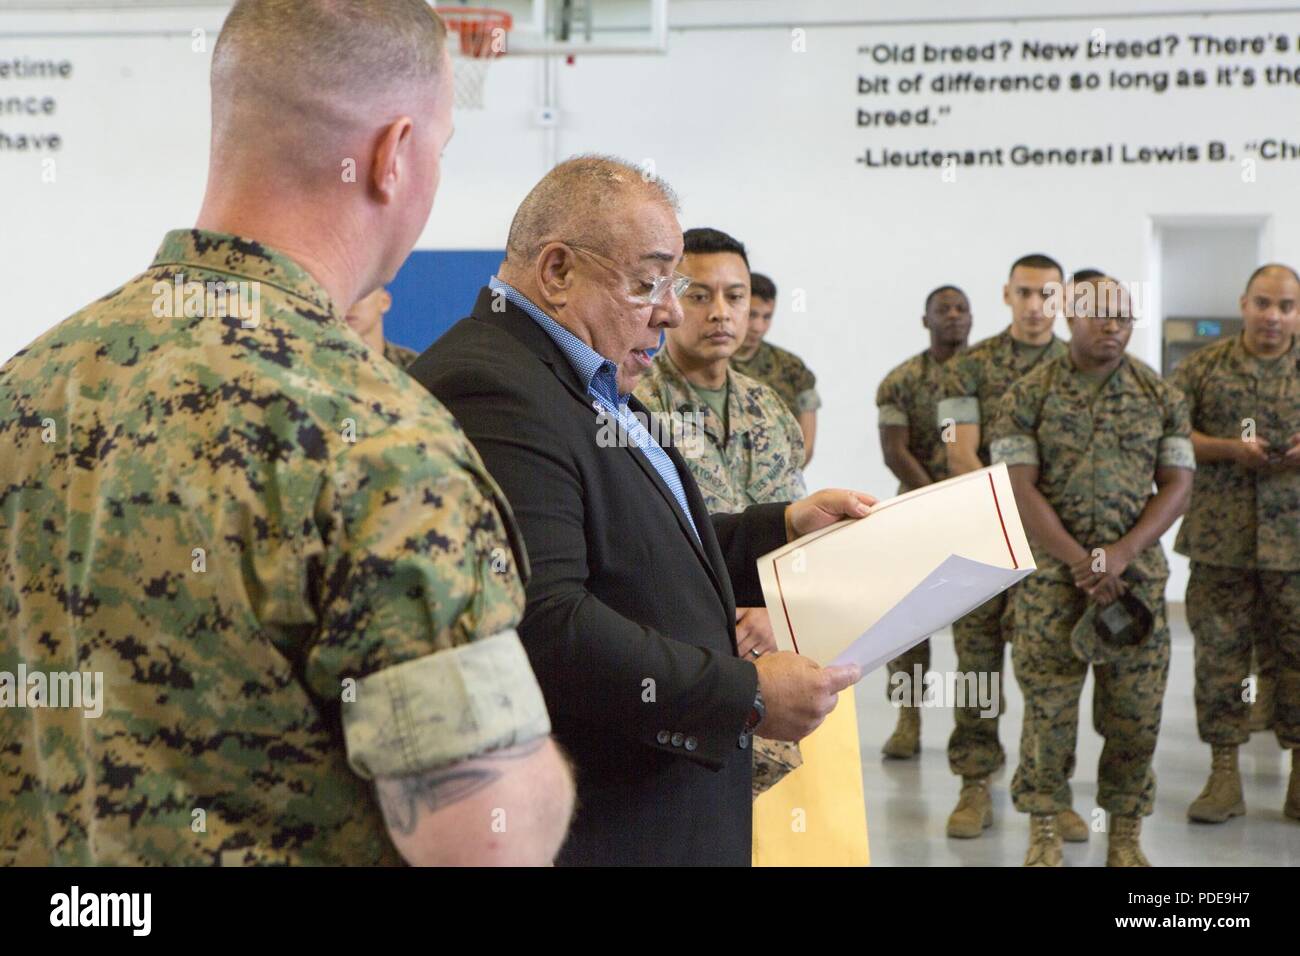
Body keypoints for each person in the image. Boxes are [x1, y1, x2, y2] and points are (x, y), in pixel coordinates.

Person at [0, 0, 573, 867]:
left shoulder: (30, 386)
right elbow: (484, 838)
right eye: (443, 151)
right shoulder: (378, 439)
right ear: (394, 155)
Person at [408, 155, 872, 865]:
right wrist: (743, 695)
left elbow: (639, 549)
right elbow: (544, 619)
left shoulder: (582, 376)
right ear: (558, 271)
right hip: (612, 821)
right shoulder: (492, 386)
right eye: (649, 281)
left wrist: (778, 527)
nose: (674, 310)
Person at [990, 274, 1194, 865]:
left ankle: (1125, 835)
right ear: (1069, 315)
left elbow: (1178, 484)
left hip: (1133, 587)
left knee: (1134, 717)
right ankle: (1045, 831)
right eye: (1099, 313)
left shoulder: (1162, 396)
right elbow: (1016, 485)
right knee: (1048, 716)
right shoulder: (1028, 394)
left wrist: (1121, 553)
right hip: (1053, 586)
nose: (1113, 325)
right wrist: (1081, 560)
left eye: (1123, 315)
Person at [631, 226, 807, 799]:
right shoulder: (633, 406)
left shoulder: (769, 406)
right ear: (670, 298)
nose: (720, 313)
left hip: (772, 674)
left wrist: (777, 611)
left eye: (736, 296)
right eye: (699, 295)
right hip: (683, 682)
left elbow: (797, 538)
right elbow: (637, 553)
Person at [935, 253, 1081, 841]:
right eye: (1025, 292)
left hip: (1053, 550)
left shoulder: (1080, 368)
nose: (1035, 305)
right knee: (978, 668)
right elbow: (958, 452)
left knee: (1051, 677)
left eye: (1048, 294)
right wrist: (1007, 514)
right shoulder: (967, 368)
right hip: (983, 537)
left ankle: (1053, 792)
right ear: (1006, 294)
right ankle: (975, 783)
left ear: (1064, 299)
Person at [1170, 263, 1300, 824]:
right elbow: (1169, 435)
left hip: (1295, 549)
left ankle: (1299, 775)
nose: (1274, 316)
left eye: (1286, 306)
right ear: (1243, 303)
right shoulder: (1201, 368)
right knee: (1220, 661)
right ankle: (1224, 776)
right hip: (1221, 542)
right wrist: (1227, 448)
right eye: (1264, 303)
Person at [875, 285, 972, 758]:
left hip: (980, 514)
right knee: (906, 623)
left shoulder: (988, 374)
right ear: (925, 319)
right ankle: (908, 718)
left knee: (978, 633)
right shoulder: (901, 380)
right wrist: (938, 497)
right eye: (943, 310)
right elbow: (895, 450)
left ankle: (976, 734)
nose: (953, 317)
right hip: (918, 509)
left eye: (961, 309)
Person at [732, 273, 820, 465]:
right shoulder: (713, 363)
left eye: (767, 317)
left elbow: (807, 443)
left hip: (784, 480)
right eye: (752, 315)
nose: (758, 327)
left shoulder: (792, 368)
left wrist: (782, 481)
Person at [346, 286, 419, 368]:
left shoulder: (413, 366)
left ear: (384, 302)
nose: (348, 304)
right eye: (342, 297)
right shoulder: (329, 367)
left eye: (361, 295)